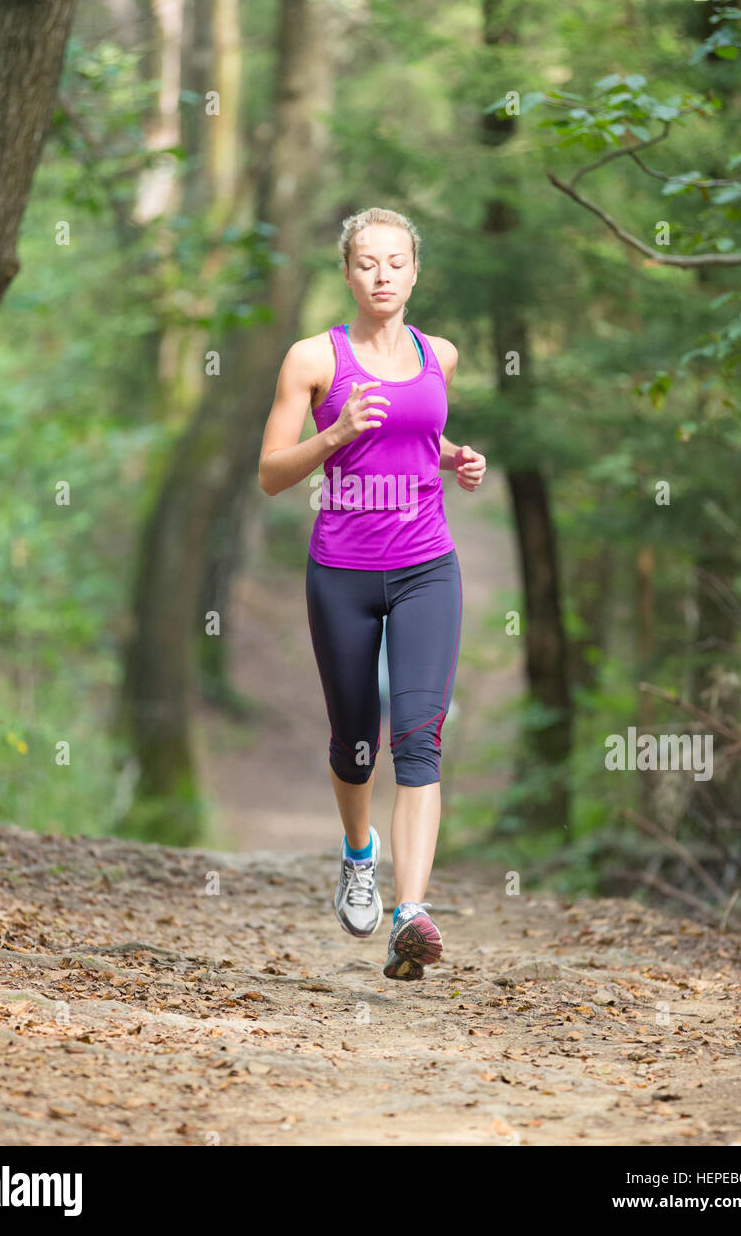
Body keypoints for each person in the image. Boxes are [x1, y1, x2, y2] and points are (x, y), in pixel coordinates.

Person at [258, 207, 486, 980]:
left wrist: (456, 457)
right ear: (348, 273)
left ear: (416, 270)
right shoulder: (312, 360)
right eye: (367, 263)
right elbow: (271, 472)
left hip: (428, 566)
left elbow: (419, 433)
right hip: (344, 573)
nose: (383, 275)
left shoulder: (439, 354)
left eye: (396, 262)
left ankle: (411, 911)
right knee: (356, 741)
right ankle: (360, 854)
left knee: (418, 738)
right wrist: (335, 434)